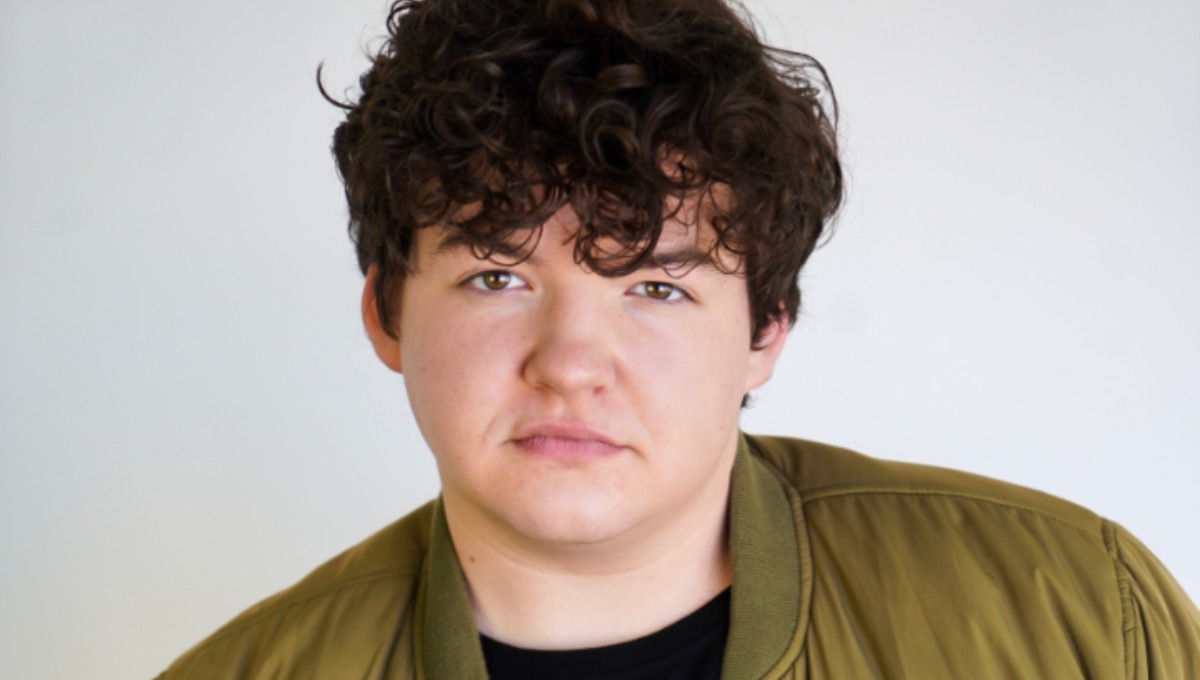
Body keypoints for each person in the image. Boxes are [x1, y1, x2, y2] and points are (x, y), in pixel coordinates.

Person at [157, 0, 1200, 677]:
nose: (570, 364)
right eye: (498, 276)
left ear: (767, 330)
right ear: (388, 313)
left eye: (656, 287)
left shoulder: (1080, 617)